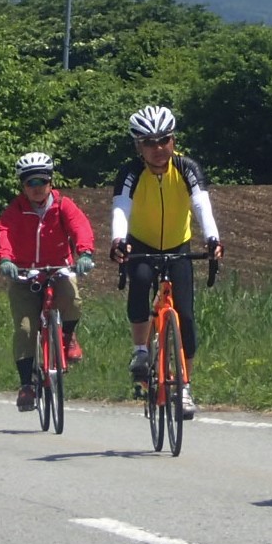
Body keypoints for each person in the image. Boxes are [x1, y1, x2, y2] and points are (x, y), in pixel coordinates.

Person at [109, 105, 221, 420]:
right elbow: (121, 207)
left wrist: (212, 239)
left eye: (164, 140)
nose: (158, 149)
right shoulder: (130, 172)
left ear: (173, 140)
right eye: (149, 142)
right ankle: (141, 352)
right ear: (137, 145)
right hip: (141, 242)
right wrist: (118, 240)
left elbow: (201, 204)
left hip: (178, 244)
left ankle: (184, 387)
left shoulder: (186, 168)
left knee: (185, 314)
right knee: (141, 280)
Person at [0, 151, 96, 412]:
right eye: (30, 183)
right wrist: (6, 260)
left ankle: (68, 337)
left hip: (58, 268)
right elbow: (3, 232)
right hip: (25, 274)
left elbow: (80, 226)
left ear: (51, 182)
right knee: (26, 329)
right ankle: (26, 384)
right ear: (22, 186)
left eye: (42, 182)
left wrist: (84, 253)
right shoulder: (15, 210)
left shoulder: (63, 206)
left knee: (72, 301)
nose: (37, 189)